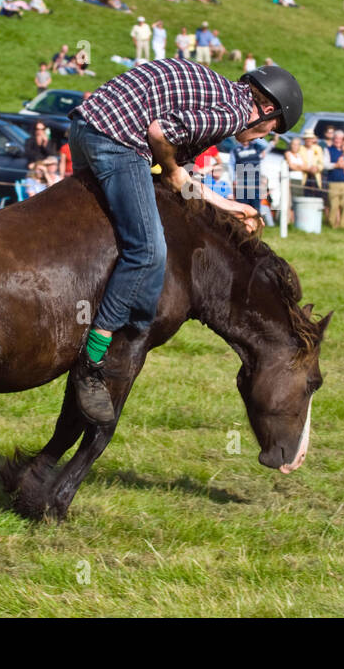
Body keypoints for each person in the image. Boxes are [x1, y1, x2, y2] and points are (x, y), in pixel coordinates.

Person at [64, 58, 302, 425]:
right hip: (115, 140)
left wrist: (227, 205)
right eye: (272, 127)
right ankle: (92, 360)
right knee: (146, 252)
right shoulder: (235, 114)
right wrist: (174, 172)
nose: (266, 134)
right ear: (266, 109)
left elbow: (178, 174)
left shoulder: (221, 94)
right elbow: (160, 134)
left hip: (84, 127)